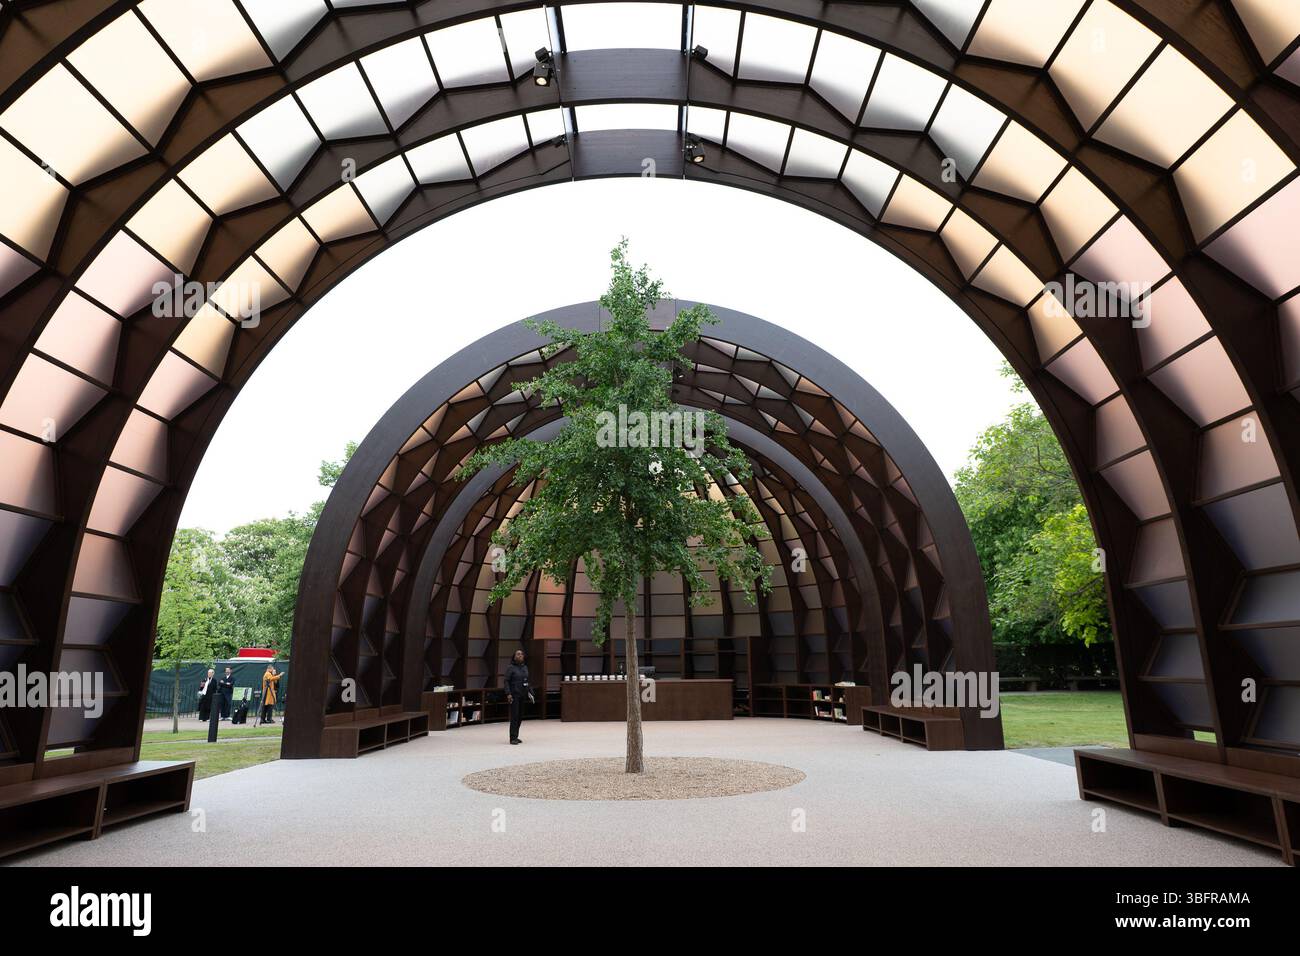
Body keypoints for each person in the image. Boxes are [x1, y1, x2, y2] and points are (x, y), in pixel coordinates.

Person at [504, 649, 530, 745]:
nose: (520, 655)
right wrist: (508, 693)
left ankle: (516, 735)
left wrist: (530, 691)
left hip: (522, 694)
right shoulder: (510, 668)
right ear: (514, 657)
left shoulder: (525, 667)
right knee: (514, 716)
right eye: (518, 654)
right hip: (514, 695)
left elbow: (526, 680)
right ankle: (512, 738)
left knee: (520, 716)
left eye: (521, 654)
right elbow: (506, 681)